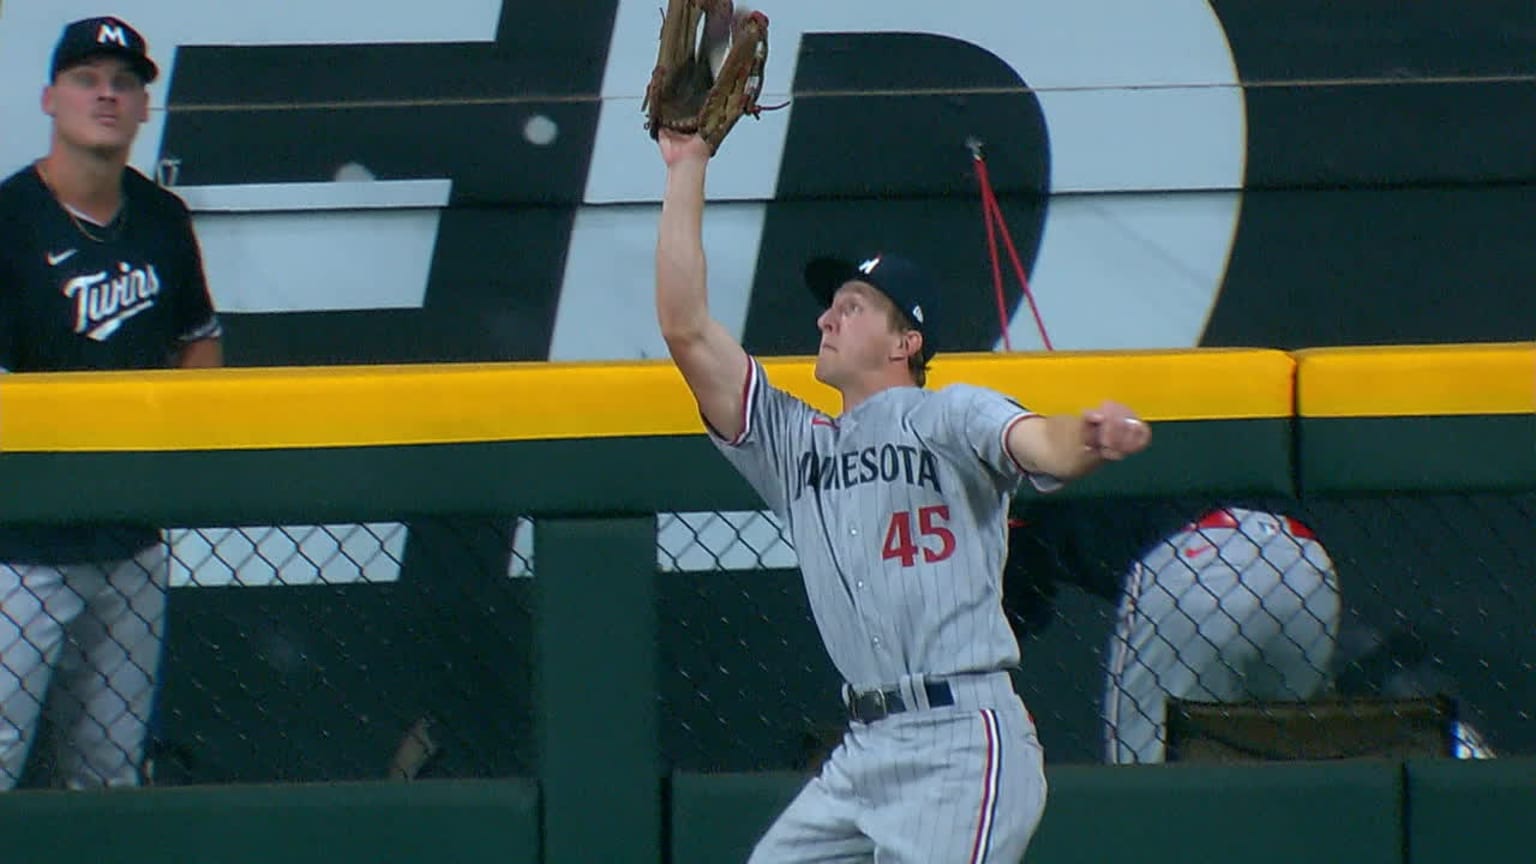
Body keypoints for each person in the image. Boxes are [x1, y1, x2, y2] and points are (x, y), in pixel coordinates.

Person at [655, 128, 1151, 863]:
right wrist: (687, 166)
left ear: (905, 341)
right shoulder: (797, 446)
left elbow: (1039, 444)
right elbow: (686, 329)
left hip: (962, 741)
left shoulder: (946, 415)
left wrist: (1090, 438)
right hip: (865, 750)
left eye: (852, 305)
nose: (826, 317)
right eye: (831, 305)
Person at [0, 16, 223, 790]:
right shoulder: (7, 221)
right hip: (20, 552)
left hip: (130, 544)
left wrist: (169, 459)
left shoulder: (162, 219)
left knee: (107, 772)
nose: (106, 94)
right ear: (49, 98)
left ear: (141, 109)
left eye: (123, 82)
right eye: (88, 78)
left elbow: (199, 338)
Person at [1001, 497, 1341, 764]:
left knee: (1145, 785)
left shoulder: (1024, 449)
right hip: (1303, 559)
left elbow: (1014, 594)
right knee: (1282, 762)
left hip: (1194, 560)